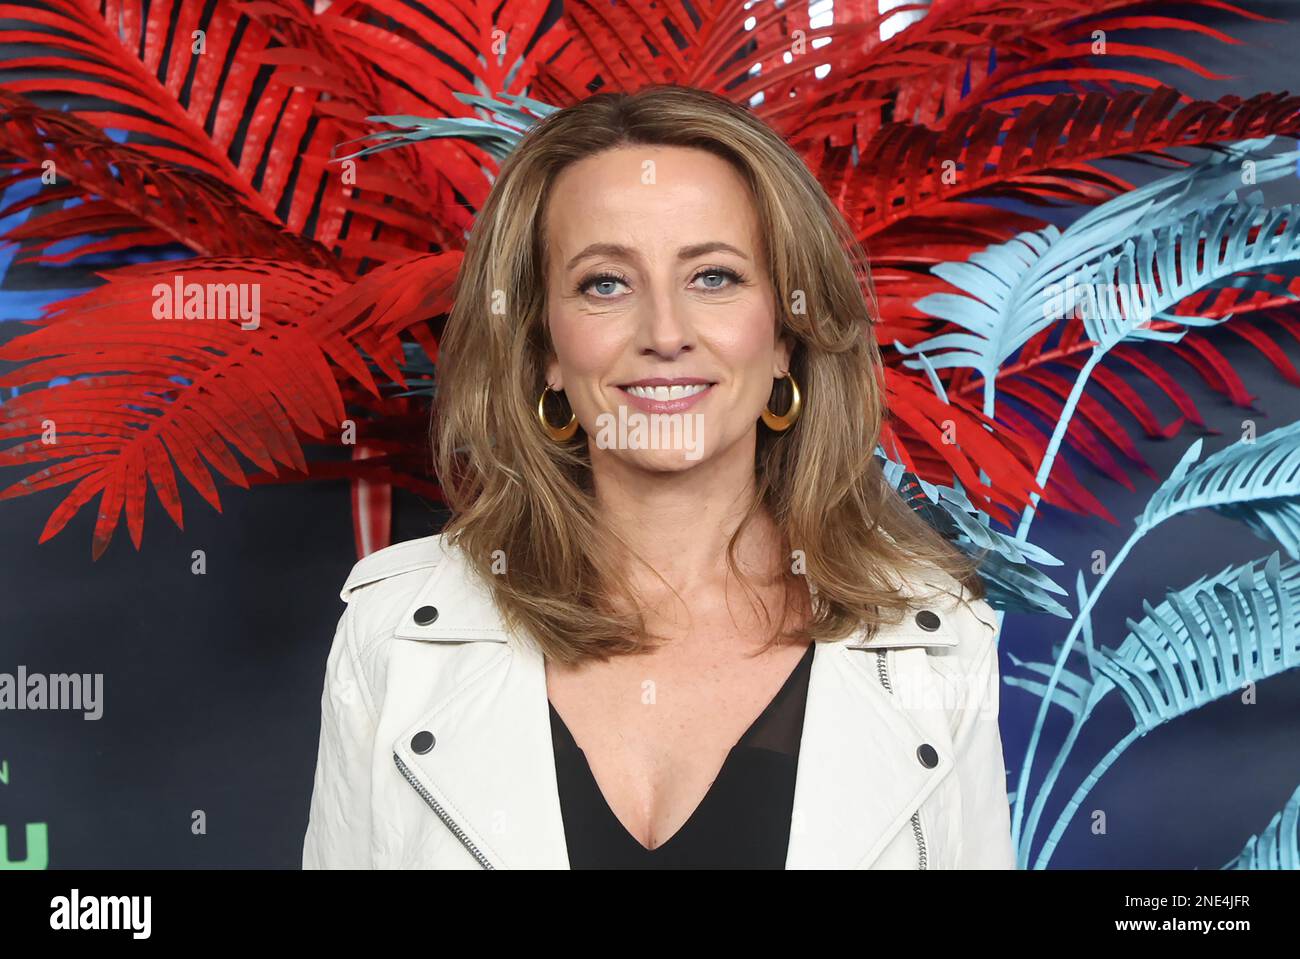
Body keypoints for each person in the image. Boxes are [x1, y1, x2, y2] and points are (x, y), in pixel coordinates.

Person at [302, 84, 1016, 870]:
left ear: (786, 336)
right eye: (605, 283)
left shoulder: (935, 640)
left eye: (713, 276)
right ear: (544, 349)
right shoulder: (395, 634)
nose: (666, 333)